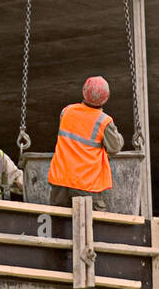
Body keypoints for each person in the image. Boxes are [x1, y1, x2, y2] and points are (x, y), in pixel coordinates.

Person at [47, 76, 123, 212]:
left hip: (60, 180)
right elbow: (114, 147)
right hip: (86, 184)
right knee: (92, 224)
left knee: (58, 222)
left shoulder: (66, 111)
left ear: (84, 92)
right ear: (106, 98)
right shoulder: (104, 121)